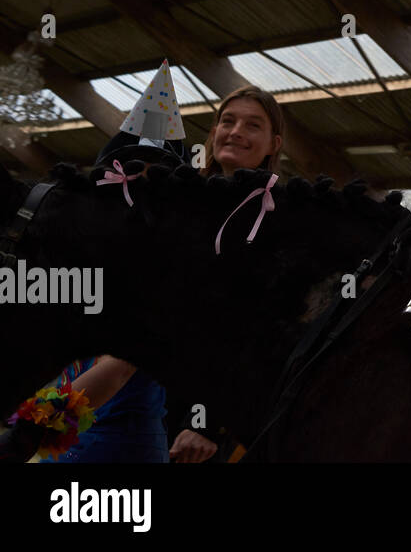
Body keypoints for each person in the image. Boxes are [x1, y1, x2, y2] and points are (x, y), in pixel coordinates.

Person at [42, 85, 285, 464]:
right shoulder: (184, 207)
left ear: (274, 143)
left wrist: (208, 423)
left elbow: (260, 335)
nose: (236, 131)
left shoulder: (271, 225)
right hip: (148, 401)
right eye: (227, 121)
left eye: (253, 125)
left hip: (202, 422)